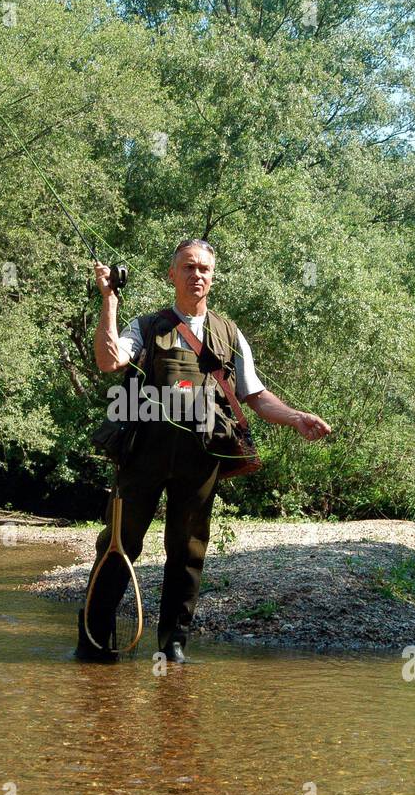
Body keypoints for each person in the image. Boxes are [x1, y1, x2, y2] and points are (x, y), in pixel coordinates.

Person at [76, 238, 332, 663]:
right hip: (142, 455)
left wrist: (295, 417)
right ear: (172, 274)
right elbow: (108, 361)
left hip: (201, 460)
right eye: (189, 267)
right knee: (120, 543)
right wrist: (109, 301)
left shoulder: (228, 333)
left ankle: (172, 648)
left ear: (212, 278)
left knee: (188, 550)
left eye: (204, 270)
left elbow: (255, 395)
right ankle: (94, 643)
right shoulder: (145, 326)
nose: (197, 275)